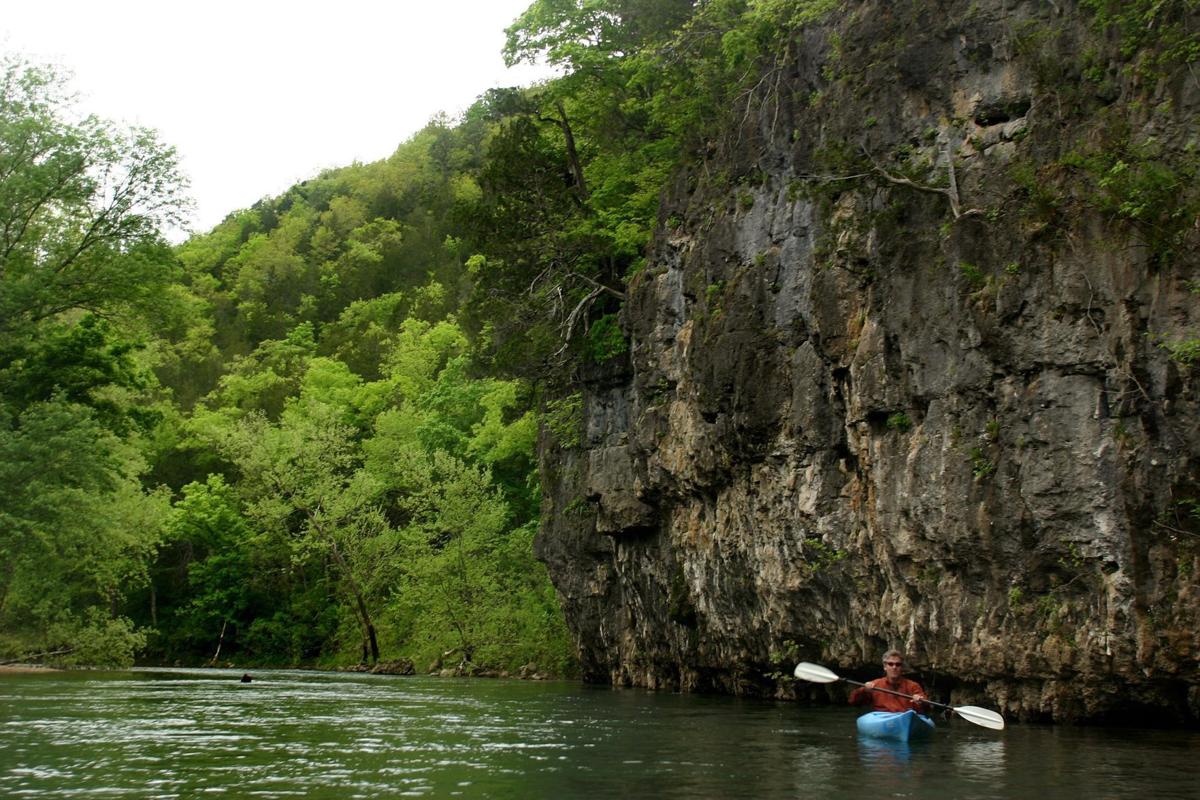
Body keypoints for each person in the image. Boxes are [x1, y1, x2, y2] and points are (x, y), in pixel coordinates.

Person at [848, 649, 928, 713]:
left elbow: (926, 704)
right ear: (885, 667)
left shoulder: (913, 686)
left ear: (902, 667)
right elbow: (853, 701)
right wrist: (864, 690)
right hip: (882, 718)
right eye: (890, 664)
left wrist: (920, 701)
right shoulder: (875, 685)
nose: (894, 667)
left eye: (898, 664)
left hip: (905, 717)